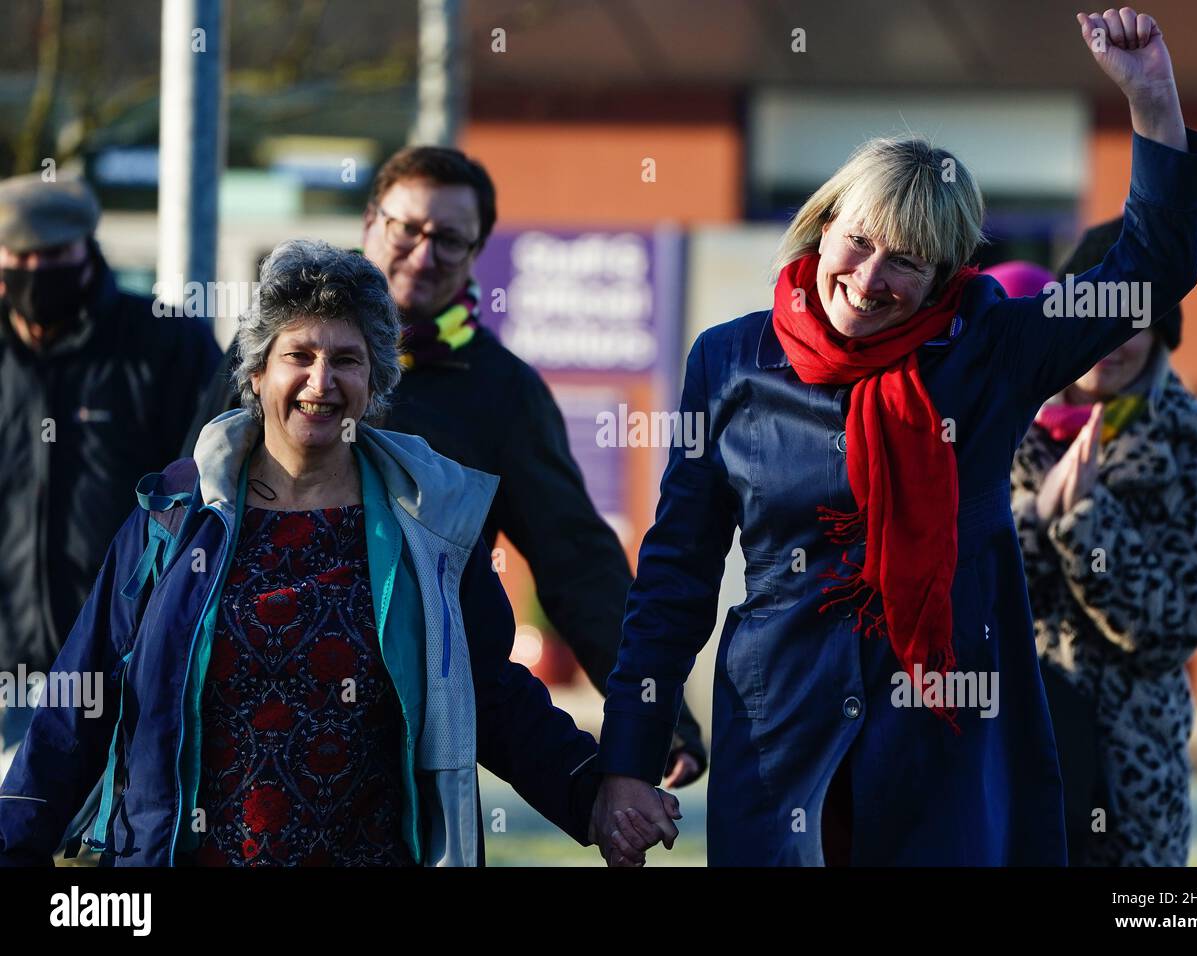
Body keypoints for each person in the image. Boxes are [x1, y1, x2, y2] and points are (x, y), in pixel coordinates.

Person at [589, 8, 1197, 865]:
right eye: (859, 241)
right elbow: (675, 575)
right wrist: (627, 760)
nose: (871, 277)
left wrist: (1152, 101)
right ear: (822, 224)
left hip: (944, 738)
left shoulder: (991, 348)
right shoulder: (729, 359)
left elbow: (1147, 271)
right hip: (779, 736)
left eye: (908, 261)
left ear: (944, 278)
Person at [0, 239, 671, 866]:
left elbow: (488, 692)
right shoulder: (174, 517)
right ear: (257, 372)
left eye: (346, 359)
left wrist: (596, 794)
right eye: (299, 355)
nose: (321, 382)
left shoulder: (427, 523)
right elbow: (79, 700)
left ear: (374, 380)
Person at [182, 147, 707, 788]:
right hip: (243, 710)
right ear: (372, 221)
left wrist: (660, 718)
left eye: (449, 240)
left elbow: (580, 565)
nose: (424, 254)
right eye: (408, 229)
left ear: (476, 252)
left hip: (406, 739)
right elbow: (183, 524)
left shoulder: (503, 393)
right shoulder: (271, 358)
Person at [1011, 217, 1197, 866]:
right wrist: (1038, 513)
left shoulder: (1193, 452)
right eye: (1095, 310)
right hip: (1010, 757)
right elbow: (960, 592)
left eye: (1132, 317)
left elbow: (1174, 627)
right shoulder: (1000, 424)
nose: (1111, 339)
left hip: (1130, 785)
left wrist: (1083, 520)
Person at [0, 173, 219, 786]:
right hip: (4, 670)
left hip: (125, 668)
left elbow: (209, 500)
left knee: (103, 857)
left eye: (54, 256)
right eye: (21, 258)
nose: (36, 270)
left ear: (87, 250)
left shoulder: (165, 345)